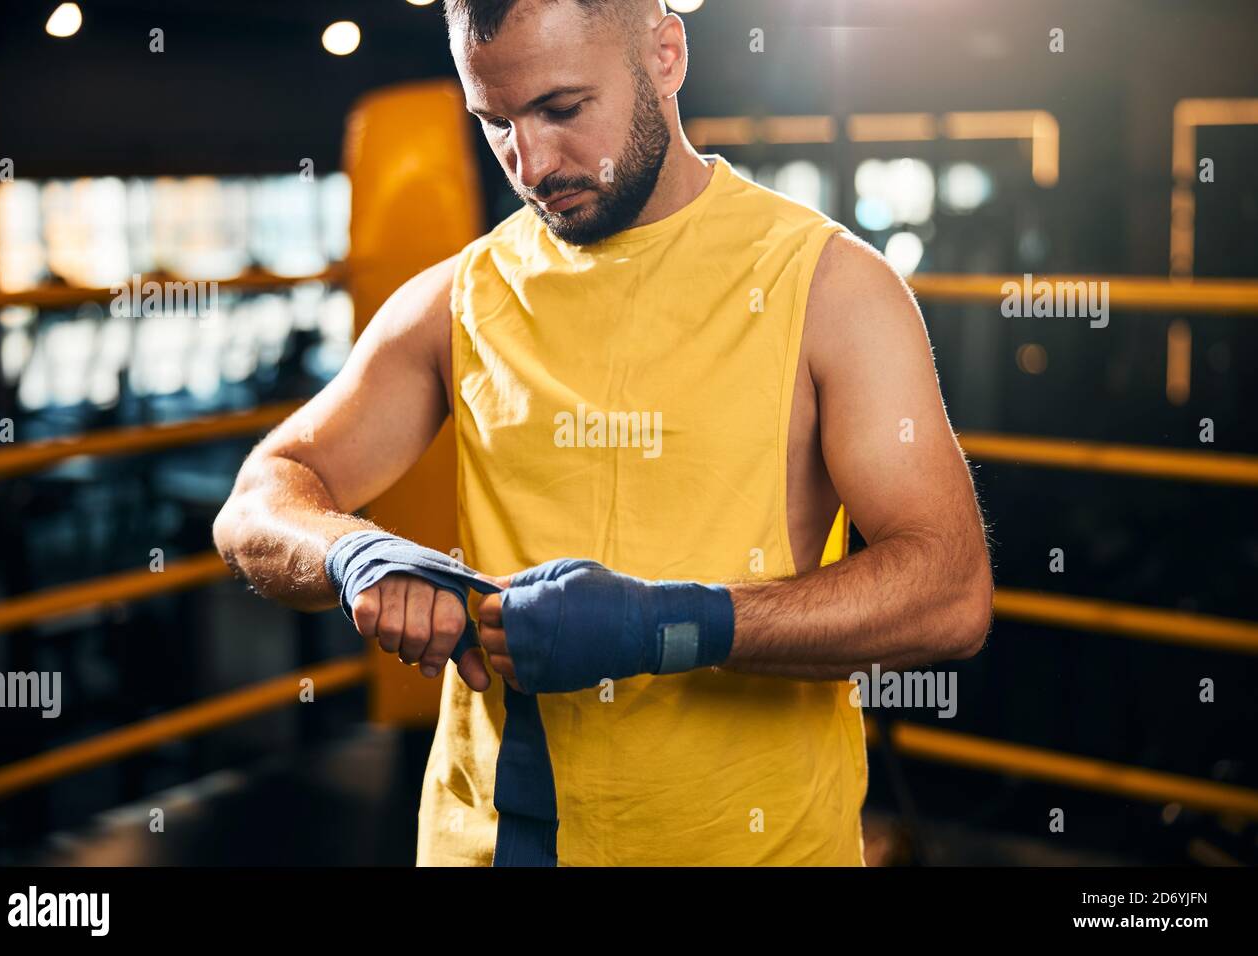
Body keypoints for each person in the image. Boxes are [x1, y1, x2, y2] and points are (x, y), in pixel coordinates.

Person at [213, 0, 993, 866]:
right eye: (496, 123)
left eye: (563, 109)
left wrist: (666, 626)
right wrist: (353, 554)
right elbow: (262, 496)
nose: (533, 162)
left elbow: (948, 592)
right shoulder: (456, 301)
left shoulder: (828, 288)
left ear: (665, 55)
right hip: (491, 846)